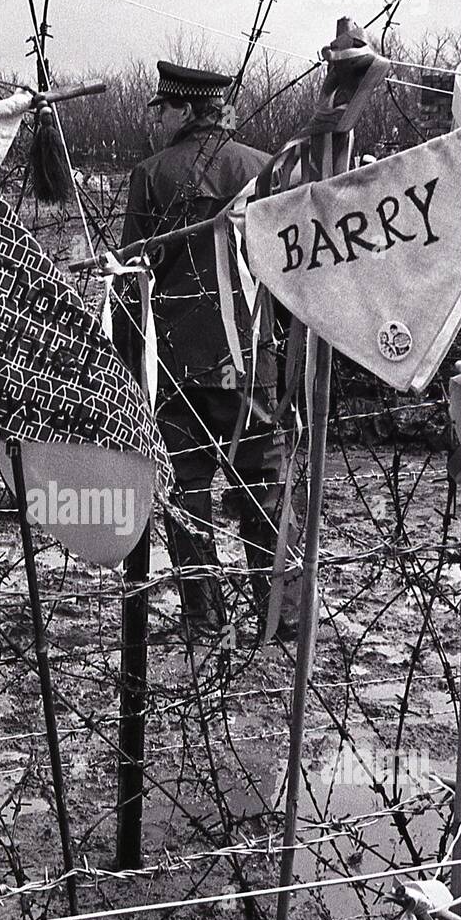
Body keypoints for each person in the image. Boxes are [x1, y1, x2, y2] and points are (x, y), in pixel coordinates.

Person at [119, 61, 298, 644]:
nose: (160, 118)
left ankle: (203, 620)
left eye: (165, 108)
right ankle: (283, 615)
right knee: (263, 487)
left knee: (189, 490)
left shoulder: (150, 175)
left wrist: (128, 365)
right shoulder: (261, 168)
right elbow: (288, 268)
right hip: (252, 360)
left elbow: (132, 278)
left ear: (186, 110)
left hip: (175, 365)